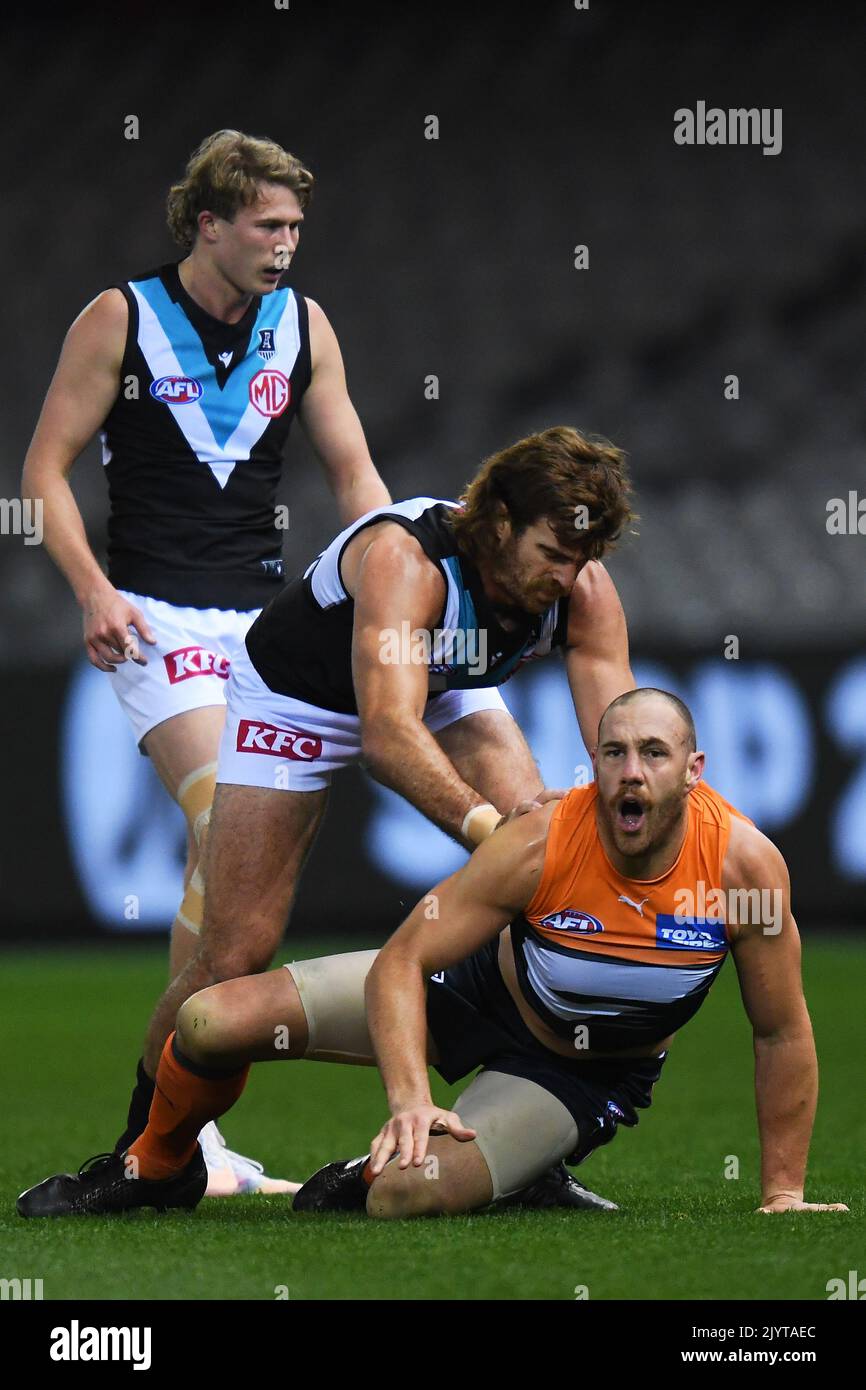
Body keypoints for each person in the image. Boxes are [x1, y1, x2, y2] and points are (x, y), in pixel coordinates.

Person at [17, 689, 848, 1219]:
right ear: (591, 764)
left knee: (402, 1195)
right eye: (613, 753)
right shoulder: (540, 842)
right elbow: (405, 961)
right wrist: (411, 1100)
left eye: (654, 754)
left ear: (694, 770)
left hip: (575, 1073)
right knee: (206, 1021)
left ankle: (518, 1165)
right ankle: (156, 1172)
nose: (630, 774)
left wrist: (782, 1193)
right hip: (472, 990)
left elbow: (780, 1031)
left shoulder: (742, 865)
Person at [20, 128, 391, 1194]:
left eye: (296, 228)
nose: (286, 245)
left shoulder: (304, 326)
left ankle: (177, 1139)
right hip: (151, 618)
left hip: (263, 632)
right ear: (208, 224)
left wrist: (395, 566)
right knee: (223, 826)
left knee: (231, 898)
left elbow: (352, 468)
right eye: (268, 225)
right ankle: (163, 1138)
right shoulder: (120, 317)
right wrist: (90, 588)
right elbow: (42, 468)